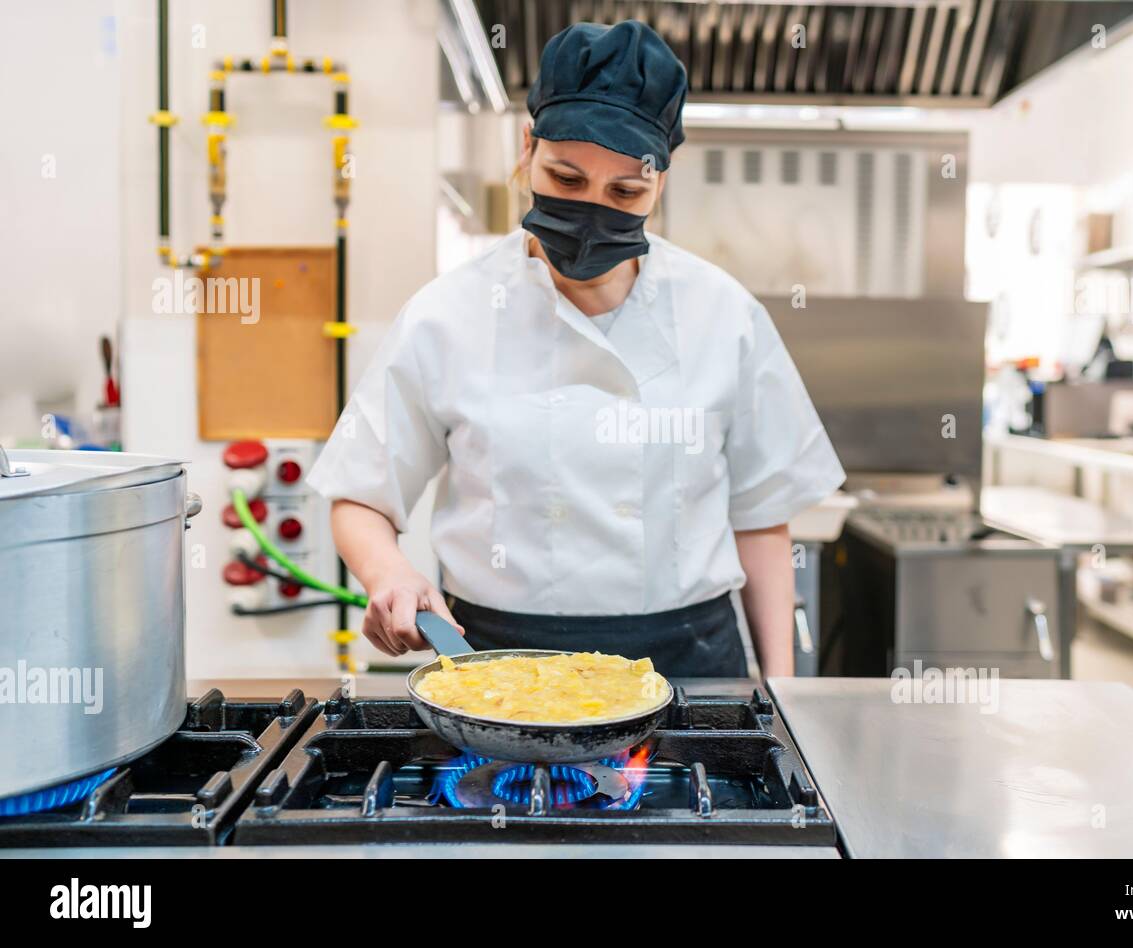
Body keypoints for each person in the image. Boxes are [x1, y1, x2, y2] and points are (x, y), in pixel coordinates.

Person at [307, 20, 844, 677]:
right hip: (501, 657)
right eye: (566, 178)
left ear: (660, 184)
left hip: (690, 663)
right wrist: (388, 570)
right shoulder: (449, 316)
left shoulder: (723, 314)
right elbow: (361, 493)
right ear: (528, 148)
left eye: (625, 192)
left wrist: (782, 694)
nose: (593, 209)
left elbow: (761, 519)